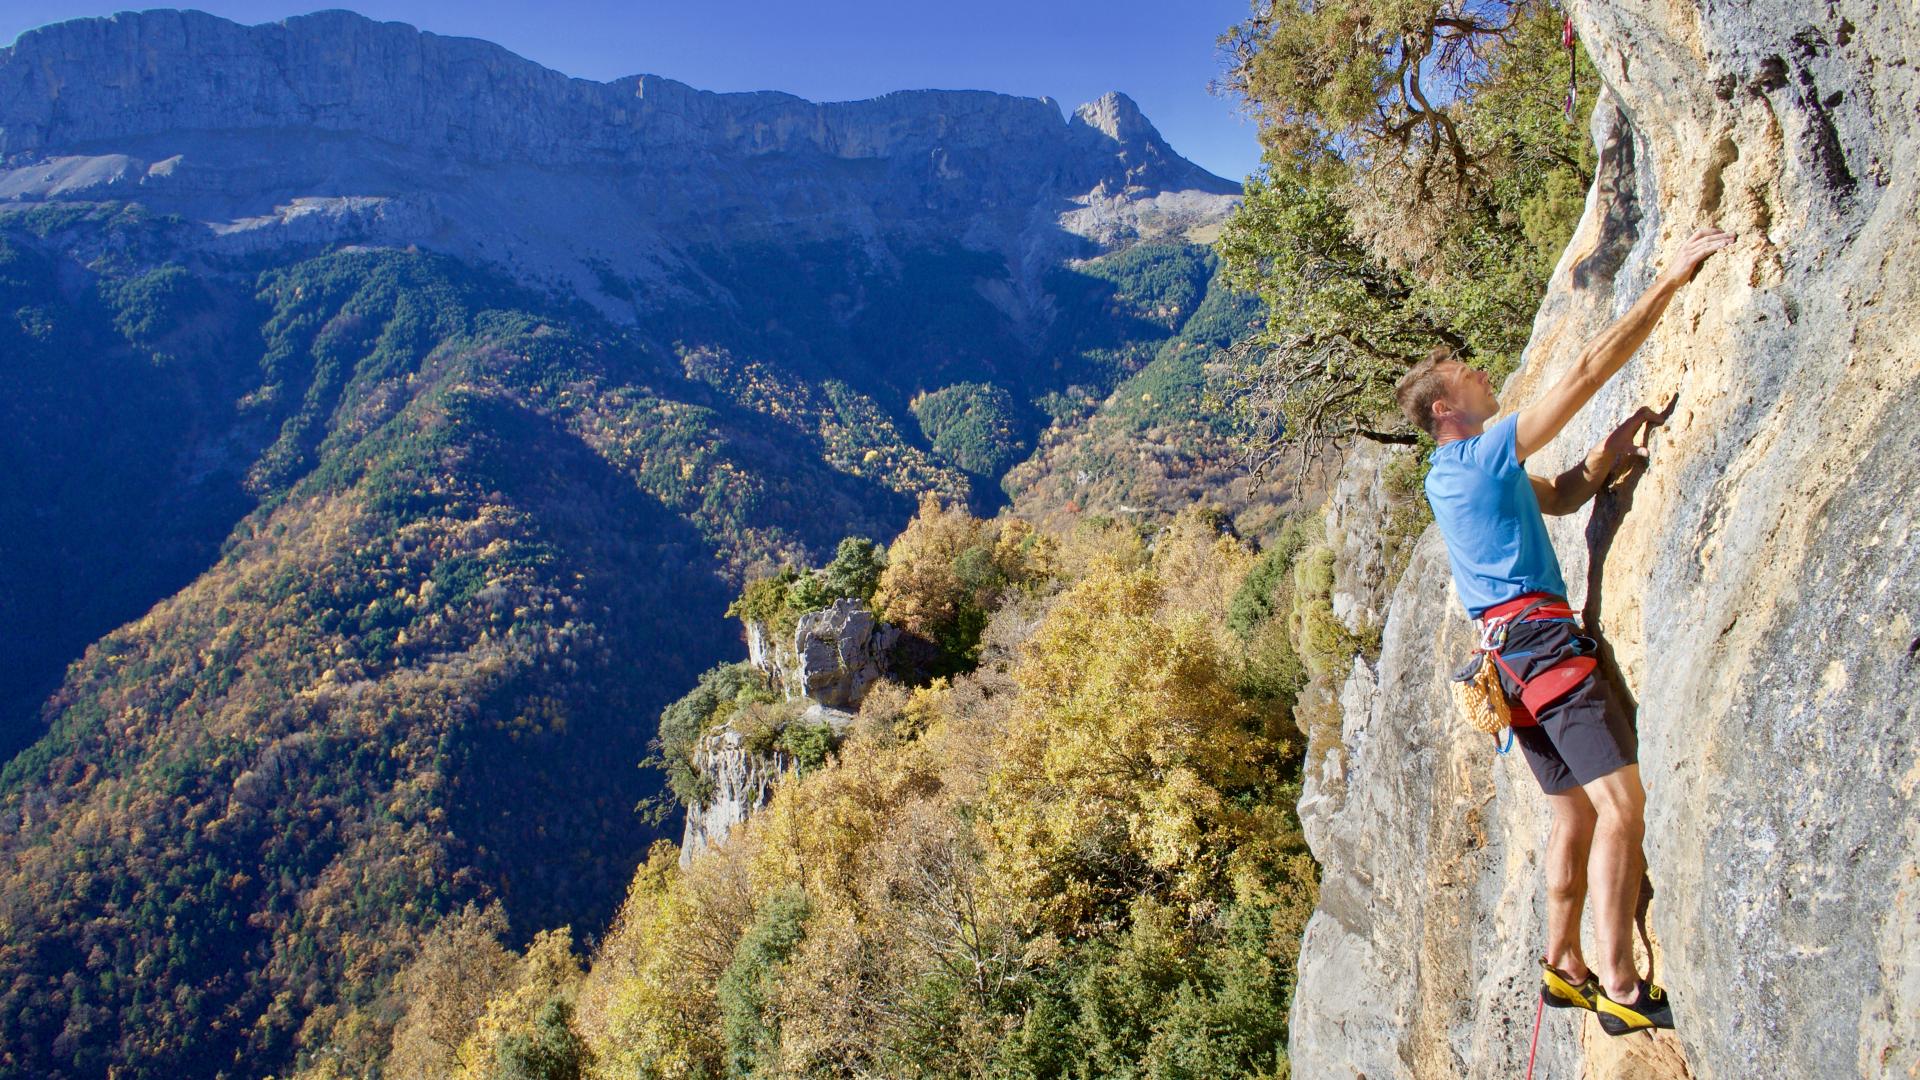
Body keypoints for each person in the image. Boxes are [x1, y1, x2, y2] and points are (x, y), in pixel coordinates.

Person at [1394, 226, 1736, 1036]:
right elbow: (1584, 373)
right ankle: (1620, 984)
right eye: (1467, 374)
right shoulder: (1483, 453)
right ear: (1445, 407)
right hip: (1543, 650)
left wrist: (1608, 456)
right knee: (1622, 805)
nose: (1483, 373)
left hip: (1507, 666)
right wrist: (1669, 280)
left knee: (1573, 813)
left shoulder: (1454, 475)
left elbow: (1562, 495)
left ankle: (1562, 964)